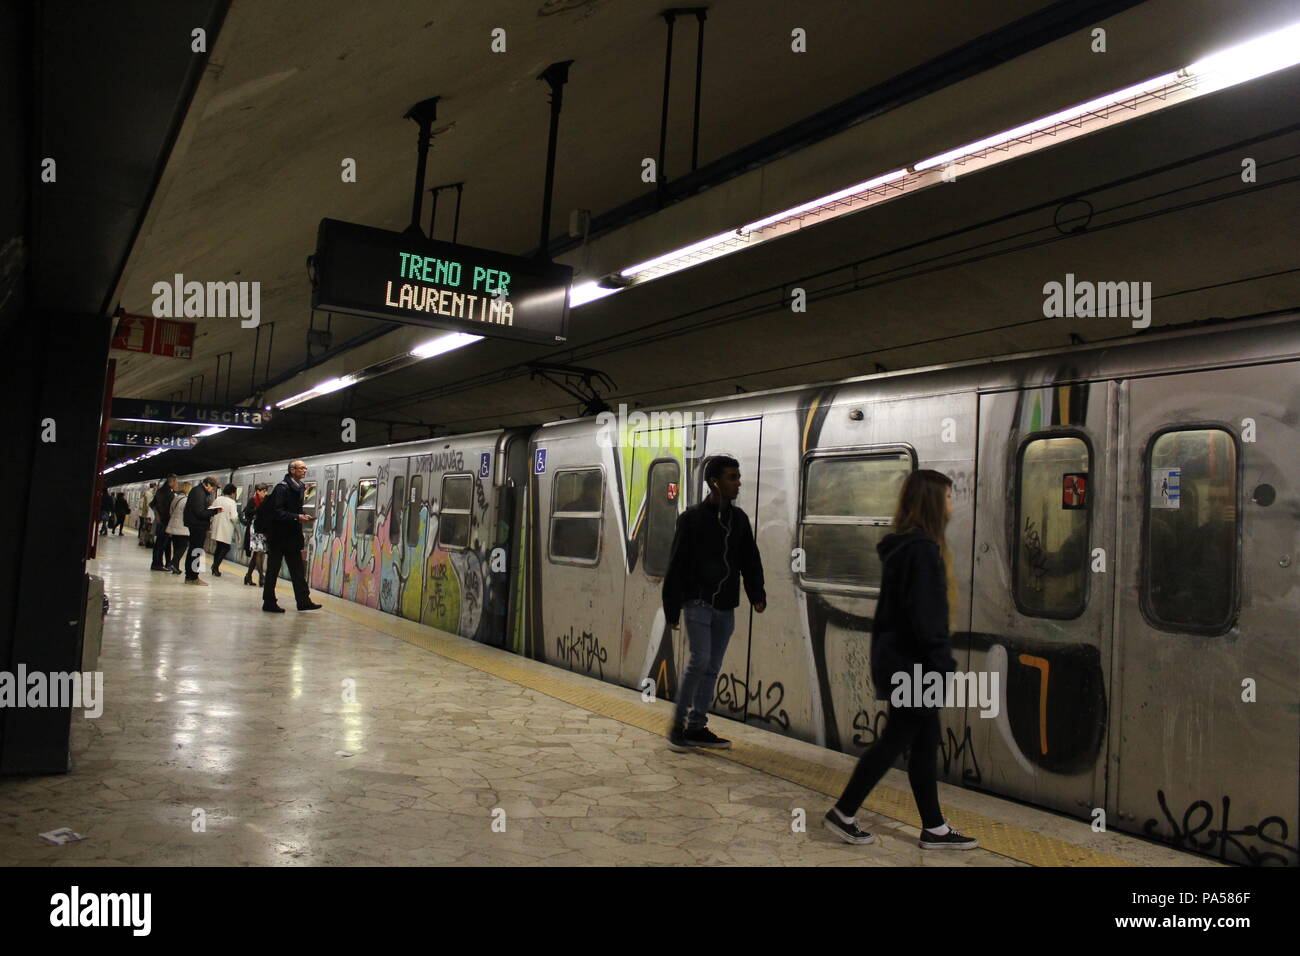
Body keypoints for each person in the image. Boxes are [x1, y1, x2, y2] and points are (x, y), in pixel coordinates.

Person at [823, 469, 978, 850]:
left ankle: (934, 827)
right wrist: (943, 662)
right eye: (947, 497)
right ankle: (843, 812)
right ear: (932, 502)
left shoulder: (905, 547)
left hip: (901, 660)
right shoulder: (923, 550)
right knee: (894, 742)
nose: (951, 505)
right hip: (915, 665)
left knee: (924, 742)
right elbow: (925, 616)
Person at [662, 455, 765, 752]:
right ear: (714, 482)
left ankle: (697, 726)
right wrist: (672, 608)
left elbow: (750, 560)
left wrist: (757, 594)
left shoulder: (740, 520)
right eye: (733, 477)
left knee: (712, 666)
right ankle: (677, 726)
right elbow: (677, 564)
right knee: (700, 661)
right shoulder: (692, 519)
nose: (738, 483)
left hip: (725, 607)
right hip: (697, 603)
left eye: (738, 476)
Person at [262, 461, 321, 613]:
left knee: (298, 570)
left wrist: (301, 515)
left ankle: (303, 601)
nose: (305, 470)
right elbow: (277, 512)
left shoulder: (300, 487)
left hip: (292, 536)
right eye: (302, 468)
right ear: (292, 470)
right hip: (278, 536)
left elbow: (295, 508)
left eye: (305, 468)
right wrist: (296, 517)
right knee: (273, 570)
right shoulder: (282, 488)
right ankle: (269, 602)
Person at [183, 477, 221, 585]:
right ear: (207, 484)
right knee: (196, 551)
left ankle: (191, 576)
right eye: (212, 488)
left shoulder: (198, 491)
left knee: (194, 551)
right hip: (197, 525)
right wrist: (214, 511)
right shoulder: (199, 493)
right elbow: (200, 512)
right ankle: (192, 577)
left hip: (197, 525)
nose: (212, 491)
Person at [209, 484, 241, 577]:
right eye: (235, 493)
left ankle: (215, 567)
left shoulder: (218, 499)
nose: (235, 495)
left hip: (216, 526)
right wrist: (238, 532)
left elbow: (211, 511)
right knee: (226, 547)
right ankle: (215, 566)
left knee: (219, 547)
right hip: (226, 528)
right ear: (232, 493)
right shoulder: (231, 502)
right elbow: (234, 517)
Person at [243, 483, 269, 587]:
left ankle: (248, 576)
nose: (265, 493)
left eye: (266, 491)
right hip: (254, 529)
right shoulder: (252, 500)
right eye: (263, 491)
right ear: (258, 491)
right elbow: (248, 512)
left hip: (262, 529)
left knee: (257, 554)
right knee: (259, 553)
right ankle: (261, 577)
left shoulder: (266, 500)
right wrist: (260, 509)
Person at [150, 476, 177, 571]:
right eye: (176, 482)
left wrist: (156, 516)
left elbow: (152, 504)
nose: (176, 484)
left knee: (159, 543)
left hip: (160, 521)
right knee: (161, 544)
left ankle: (156, 563)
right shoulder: (169, 493)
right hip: (165, 521)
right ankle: (158, 564)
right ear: (172, 482)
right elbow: (169, 509)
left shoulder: (160, 491)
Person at [165, 481, 192, 574]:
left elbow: (170, 511)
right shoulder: (187, 500)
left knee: (176, 547)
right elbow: (188, 514)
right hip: (182, 527)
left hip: (173, 526)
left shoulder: (176, 498)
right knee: (183, 546)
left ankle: (175, 567)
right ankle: (173, 563)